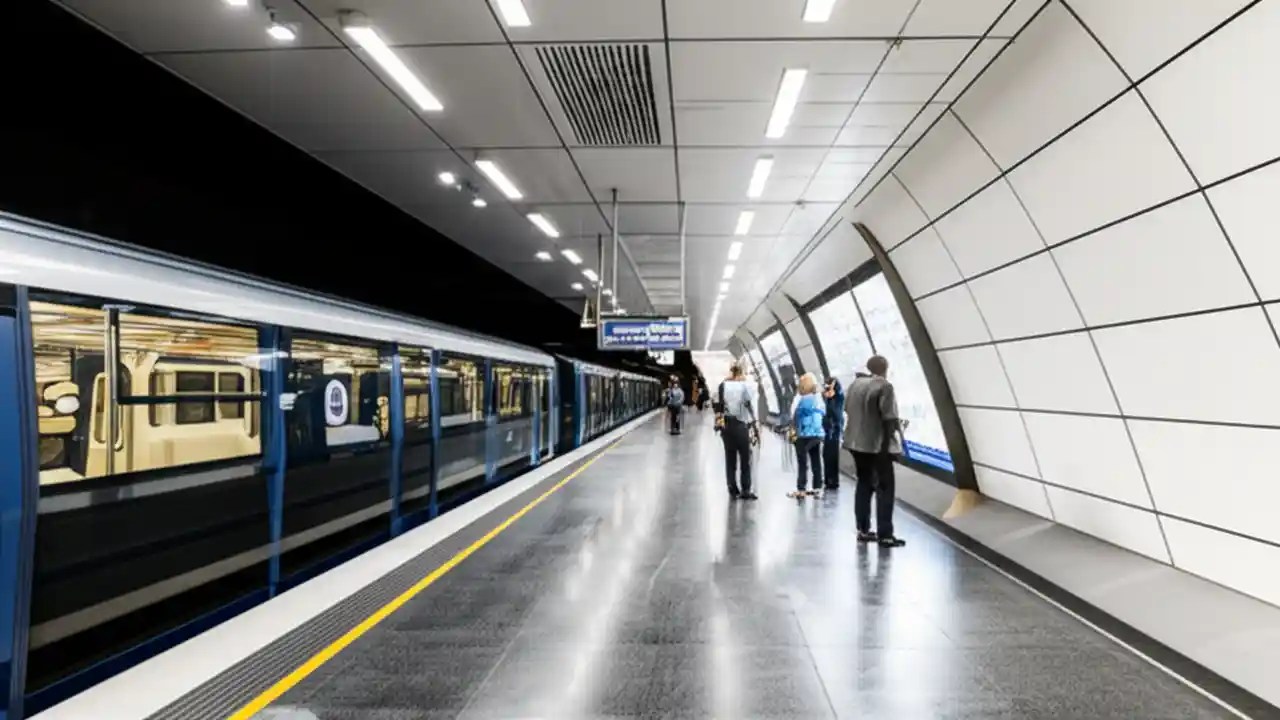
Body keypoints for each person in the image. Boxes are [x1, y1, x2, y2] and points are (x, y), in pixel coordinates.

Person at [843, 356, 906, 548]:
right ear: (886, 368)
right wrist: (886, 448)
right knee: (885, 489)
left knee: (863, 484)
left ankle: (863, 529)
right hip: (877, 446)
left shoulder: (855, 384)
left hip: (855, 444)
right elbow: (889, 419)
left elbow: (847, 409)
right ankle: (885, 534)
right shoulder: (885, 387)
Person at [716, 363, 759, 500]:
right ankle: (746, 489)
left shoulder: (723, 385)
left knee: (730, 457)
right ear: (741, 372)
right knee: (745, 458)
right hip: (741, 424)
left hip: (727, 425)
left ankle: (732, 487)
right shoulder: (744, 386)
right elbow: (748, 404)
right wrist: (754, 422)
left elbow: (719, 406)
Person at [788, 373, 825, 498]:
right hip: (817, 434)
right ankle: (817, 487)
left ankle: (801, 488)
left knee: (802, 462)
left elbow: (793, 415)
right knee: (816, 461)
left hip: (802, 434)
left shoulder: (800, 399)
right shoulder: (818, 398)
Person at [822, 377, 844, 490]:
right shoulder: (826, 398)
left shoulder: (839, 398)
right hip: (827, 430)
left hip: (834, 431)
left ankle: (833, 480)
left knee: (833, 455)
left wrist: (830, 399)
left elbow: (836, 414)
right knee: (826, 455)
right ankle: (827, 478)